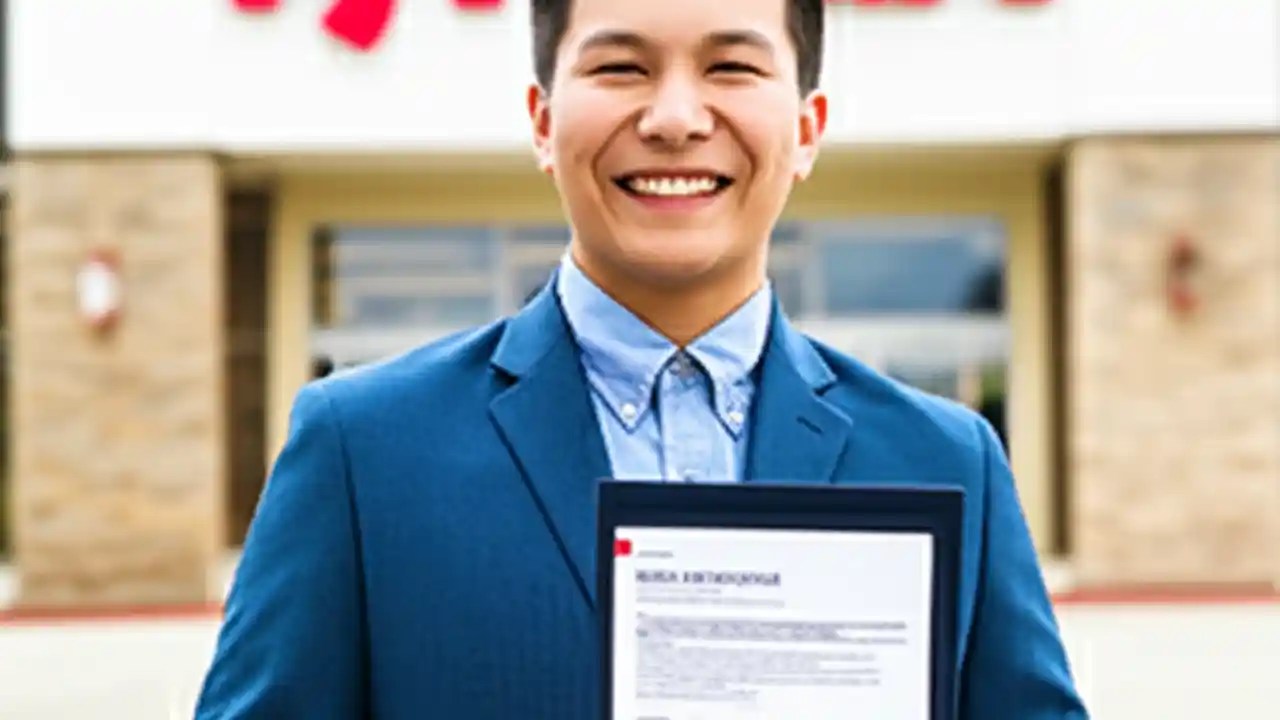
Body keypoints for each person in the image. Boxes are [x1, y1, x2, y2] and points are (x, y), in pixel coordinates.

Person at [194, 0, 1088, 717]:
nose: (673, 117)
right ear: (542, 121)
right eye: (620, 66)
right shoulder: (363, 451)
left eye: (731, 66)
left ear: (808, 128)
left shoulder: (946, 462)